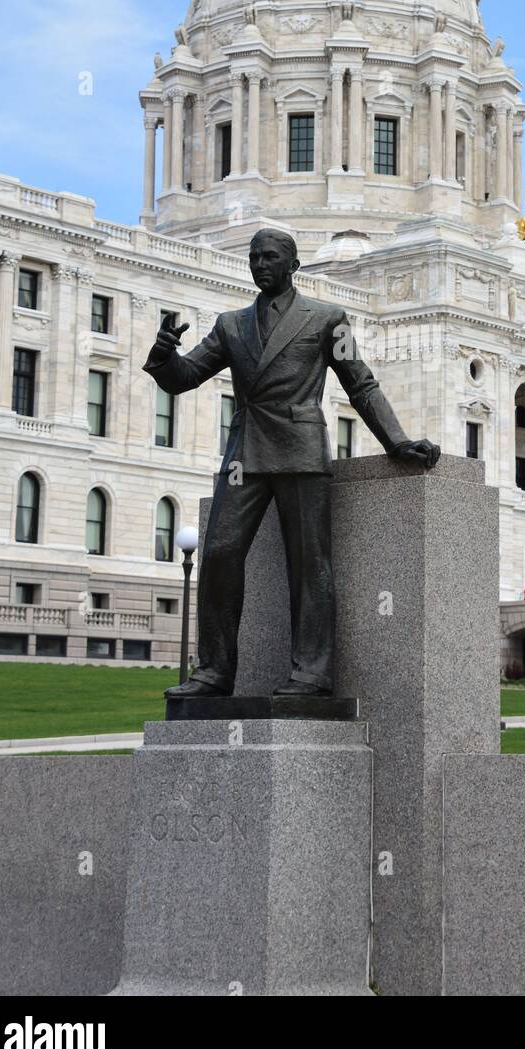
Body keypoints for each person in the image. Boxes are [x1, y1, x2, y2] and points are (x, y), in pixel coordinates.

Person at [143, 228, 440, 699]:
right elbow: (185, 378)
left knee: (309, 564)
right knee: (219, 554)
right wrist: (163, 354)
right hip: (245, 453)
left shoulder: (326, 319)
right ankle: (215, 671)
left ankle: (311, 672)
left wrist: (396, 441)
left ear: (293, 265)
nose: (260, 264)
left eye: (270, 257)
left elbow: (360, 384)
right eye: (254, 257)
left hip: (301, 452)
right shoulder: (230, 325)